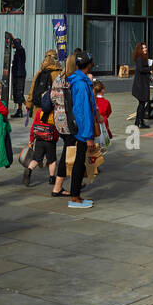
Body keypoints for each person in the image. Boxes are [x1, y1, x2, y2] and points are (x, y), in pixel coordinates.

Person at [51, 50, 98, 209]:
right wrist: (88, 135)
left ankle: (75, 195)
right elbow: (82, 111)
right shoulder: (80, 83)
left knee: (79, 161)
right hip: (82, 131)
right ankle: (75, 197)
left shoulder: (79, 80)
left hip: (79, 129)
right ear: (89, 65)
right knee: (79, 162)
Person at [23, 86, 58, 187]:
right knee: (52, 160)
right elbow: (57, 128)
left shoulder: (39, 112)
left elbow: (33, 127)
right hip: (50, 140)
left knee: (36, 159)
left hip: (39, 139)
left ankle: (29, 170)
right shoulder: (54, 113)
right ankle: (52, 178)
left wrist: (31, 140)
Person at [131, 42, 152, 128]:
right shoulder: (140, 58)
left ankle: (139, 121)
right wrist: (150, 68)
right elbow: (141, 69)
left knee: (142, 103)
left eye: (145, 48)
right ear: (140, 50)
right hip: (141, 85)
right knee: (142, 104)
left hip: (142, 83)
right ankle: (139, 122)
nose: (145, 49)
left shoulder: (142, 58)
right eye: (143, 48)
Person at [10, 37, 27, 118]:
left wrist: (12, 37)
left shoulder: (21, 50)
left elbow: (18, 46)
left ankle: (29, 108)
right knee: (17, 94)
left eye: (13, 44)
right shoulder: (17, 52)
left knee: (20, 94)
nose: (12, 45)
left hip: (20, 75)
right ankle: (19, 110)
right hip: (16, 75)